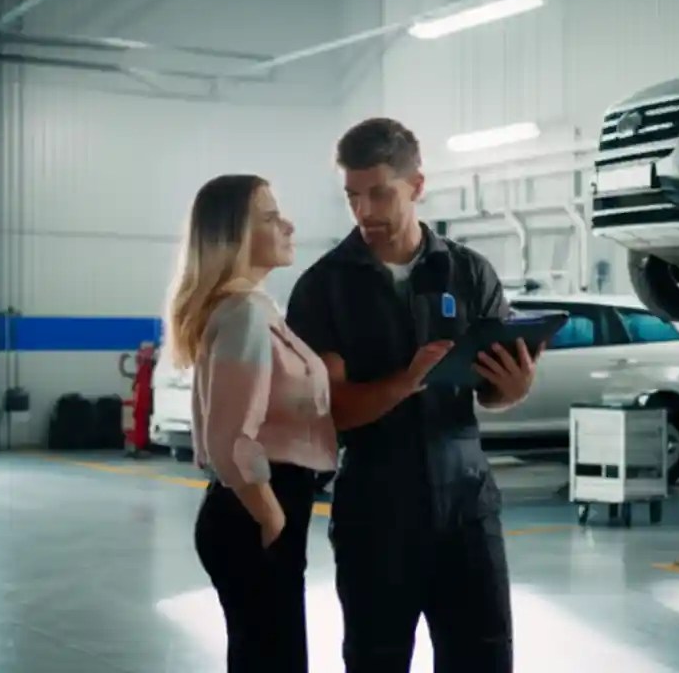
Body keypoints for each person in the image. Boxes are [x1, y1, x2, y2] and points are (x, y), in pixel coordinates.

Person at [285, 117, 542, 673]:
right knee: (377, 660)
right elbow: (336, 411)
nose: (366, 212)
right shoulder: (323, 287)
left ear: (416, 186)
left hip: (469, 502)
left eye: (381, 193)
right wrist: (406, 380)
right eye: (353, 197)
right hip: (377, 506)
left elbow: (491, 394)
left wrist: (512, 389)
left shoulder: (469, 272)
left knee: (484, 658)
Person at [162, 174, 338, 673]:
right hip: (257, 505)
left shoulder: (251, 308)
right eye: (269, 217)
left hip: (256, 504)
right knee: (273, 659)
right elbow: (229, 436)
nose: (288, 225)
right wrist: (271, 518)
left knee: (264, 656)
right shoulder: (243, 312)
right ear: (234, 235)